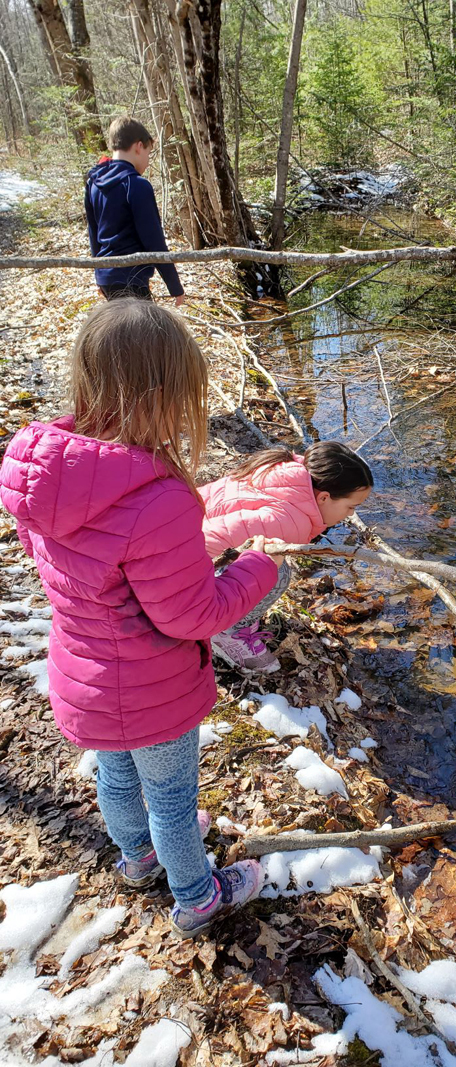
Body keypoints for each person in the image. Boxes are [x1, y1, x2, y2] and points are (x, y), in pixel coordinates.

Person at [0, 300, 280, 938]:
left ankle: (137, 858)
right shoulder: (156, 498)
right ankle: (198, 896)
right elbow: (191, 615)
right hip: (151, 690)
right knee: (175, 801)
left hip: (82, 674)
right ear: (162, 394)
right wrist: (257, 570)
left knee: (116, 776)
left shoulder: (43, 475)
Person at [201, 443, 374, 671]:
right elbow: (200, 545)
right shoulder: (289, 522)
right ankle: (226, 632)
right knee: (276, 572)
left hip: (159, 545)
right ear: (323, 497)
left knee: (268, 565)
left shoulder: (286, 473)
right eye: (351, 506)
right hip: (172, 573)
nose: (351, 514)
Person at [85, 116, 185, 305]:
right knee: (148, 333)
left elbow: (94, 233)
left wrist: (98, 272)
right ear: (139, 146)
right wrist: (174, 285)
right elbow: (153, 239)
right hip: (131, 278)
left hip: (107, 278)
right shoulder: (136, 185)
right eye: (148, 153)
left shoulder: (93, 183)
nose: (147, 161)